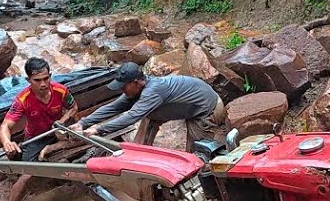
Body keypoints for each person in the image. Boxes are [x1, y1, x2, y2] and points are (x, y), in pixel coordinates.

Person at [0, 57, 77, 201]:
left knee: (79, 142)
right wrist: (7, 142)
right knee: (27, 175)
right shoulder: (23, 99)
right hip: (36, 137)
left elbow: (73, 107)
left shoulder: (61, 91)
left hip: (58, 131)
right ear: (28, 80)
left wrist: (62, 120)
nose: (43, 84)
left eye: (46, 78)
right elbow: (5, 126)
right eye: (37, 80)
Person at [73, 62, 225, 148]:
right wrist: (83, 123)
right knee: (147, 123)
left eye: (124, 86)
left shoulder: (153, 91)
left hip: (207, 108)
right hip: (192, 104)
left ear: (136, 82)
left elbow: (131, 116)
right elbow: (113, 107)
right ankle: (141, 155)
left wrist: (98, 129)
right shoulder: (137, 90)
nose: (121, 90)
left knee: (199, 155)